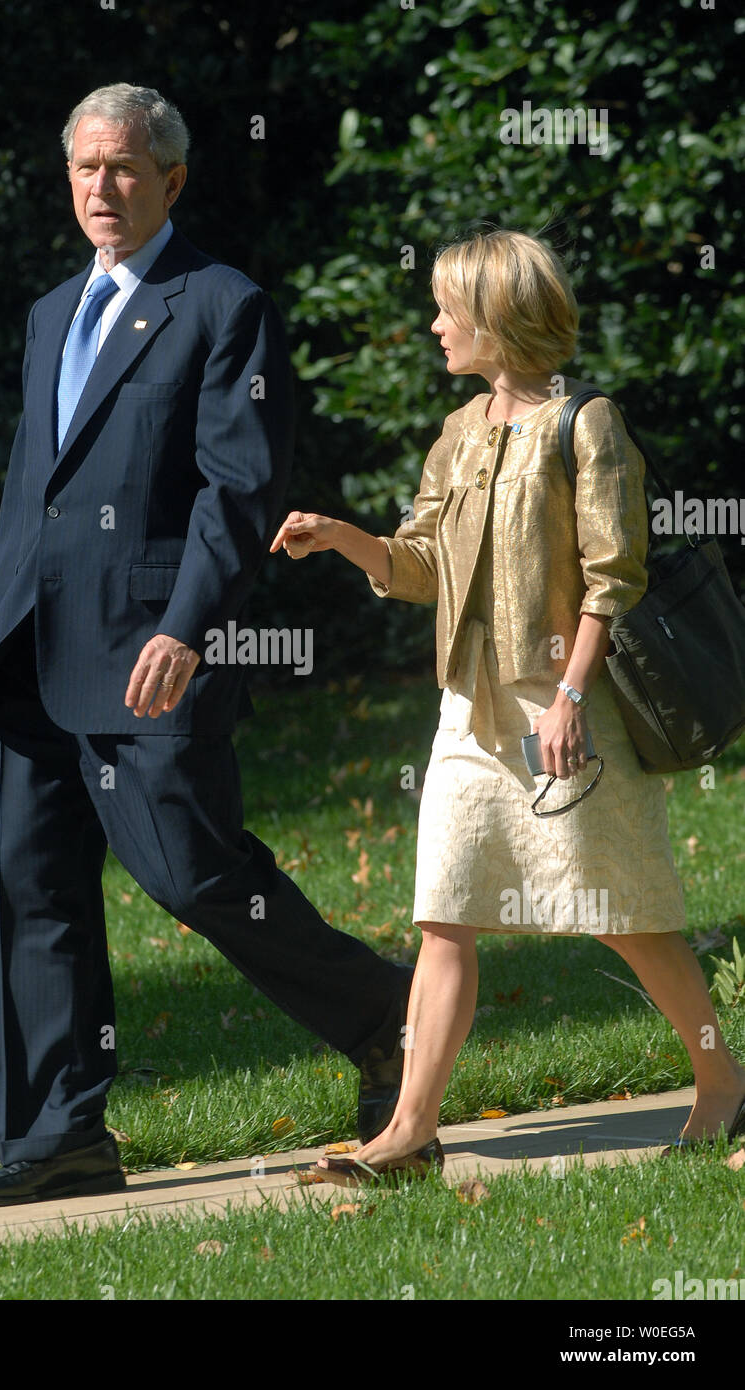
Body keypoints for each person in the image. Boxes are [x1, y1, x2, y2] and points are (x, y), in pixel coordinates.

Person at [0, 84, 411, 1207]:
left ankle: (393, 1020)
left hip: (150, 652)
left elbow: (239, 488)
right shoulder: (51, 315)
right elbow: (32, 495)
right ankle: (58, 1135)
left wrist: (184, 628)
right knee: (29, 889)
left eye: (122, 169)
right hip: (35, 664)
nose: (101, 190)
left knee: (195, 872)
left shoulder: (221, 304)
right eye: (83, 170)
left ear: (172, 179)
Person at [272, 229, 745, 1185]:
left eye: (451, 309)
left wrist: (569, 696)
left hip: (566, 706)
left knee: (625, 913)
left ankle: (723, 1084)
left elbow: (614, 578)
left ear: (499, 317)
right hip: (468, 711)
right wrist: (343, 539)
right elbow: (420, 568)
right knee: (445, 913)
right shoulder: (459, 431)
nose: (436, 324)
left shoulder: (587, 424)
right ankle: (408, 1133)